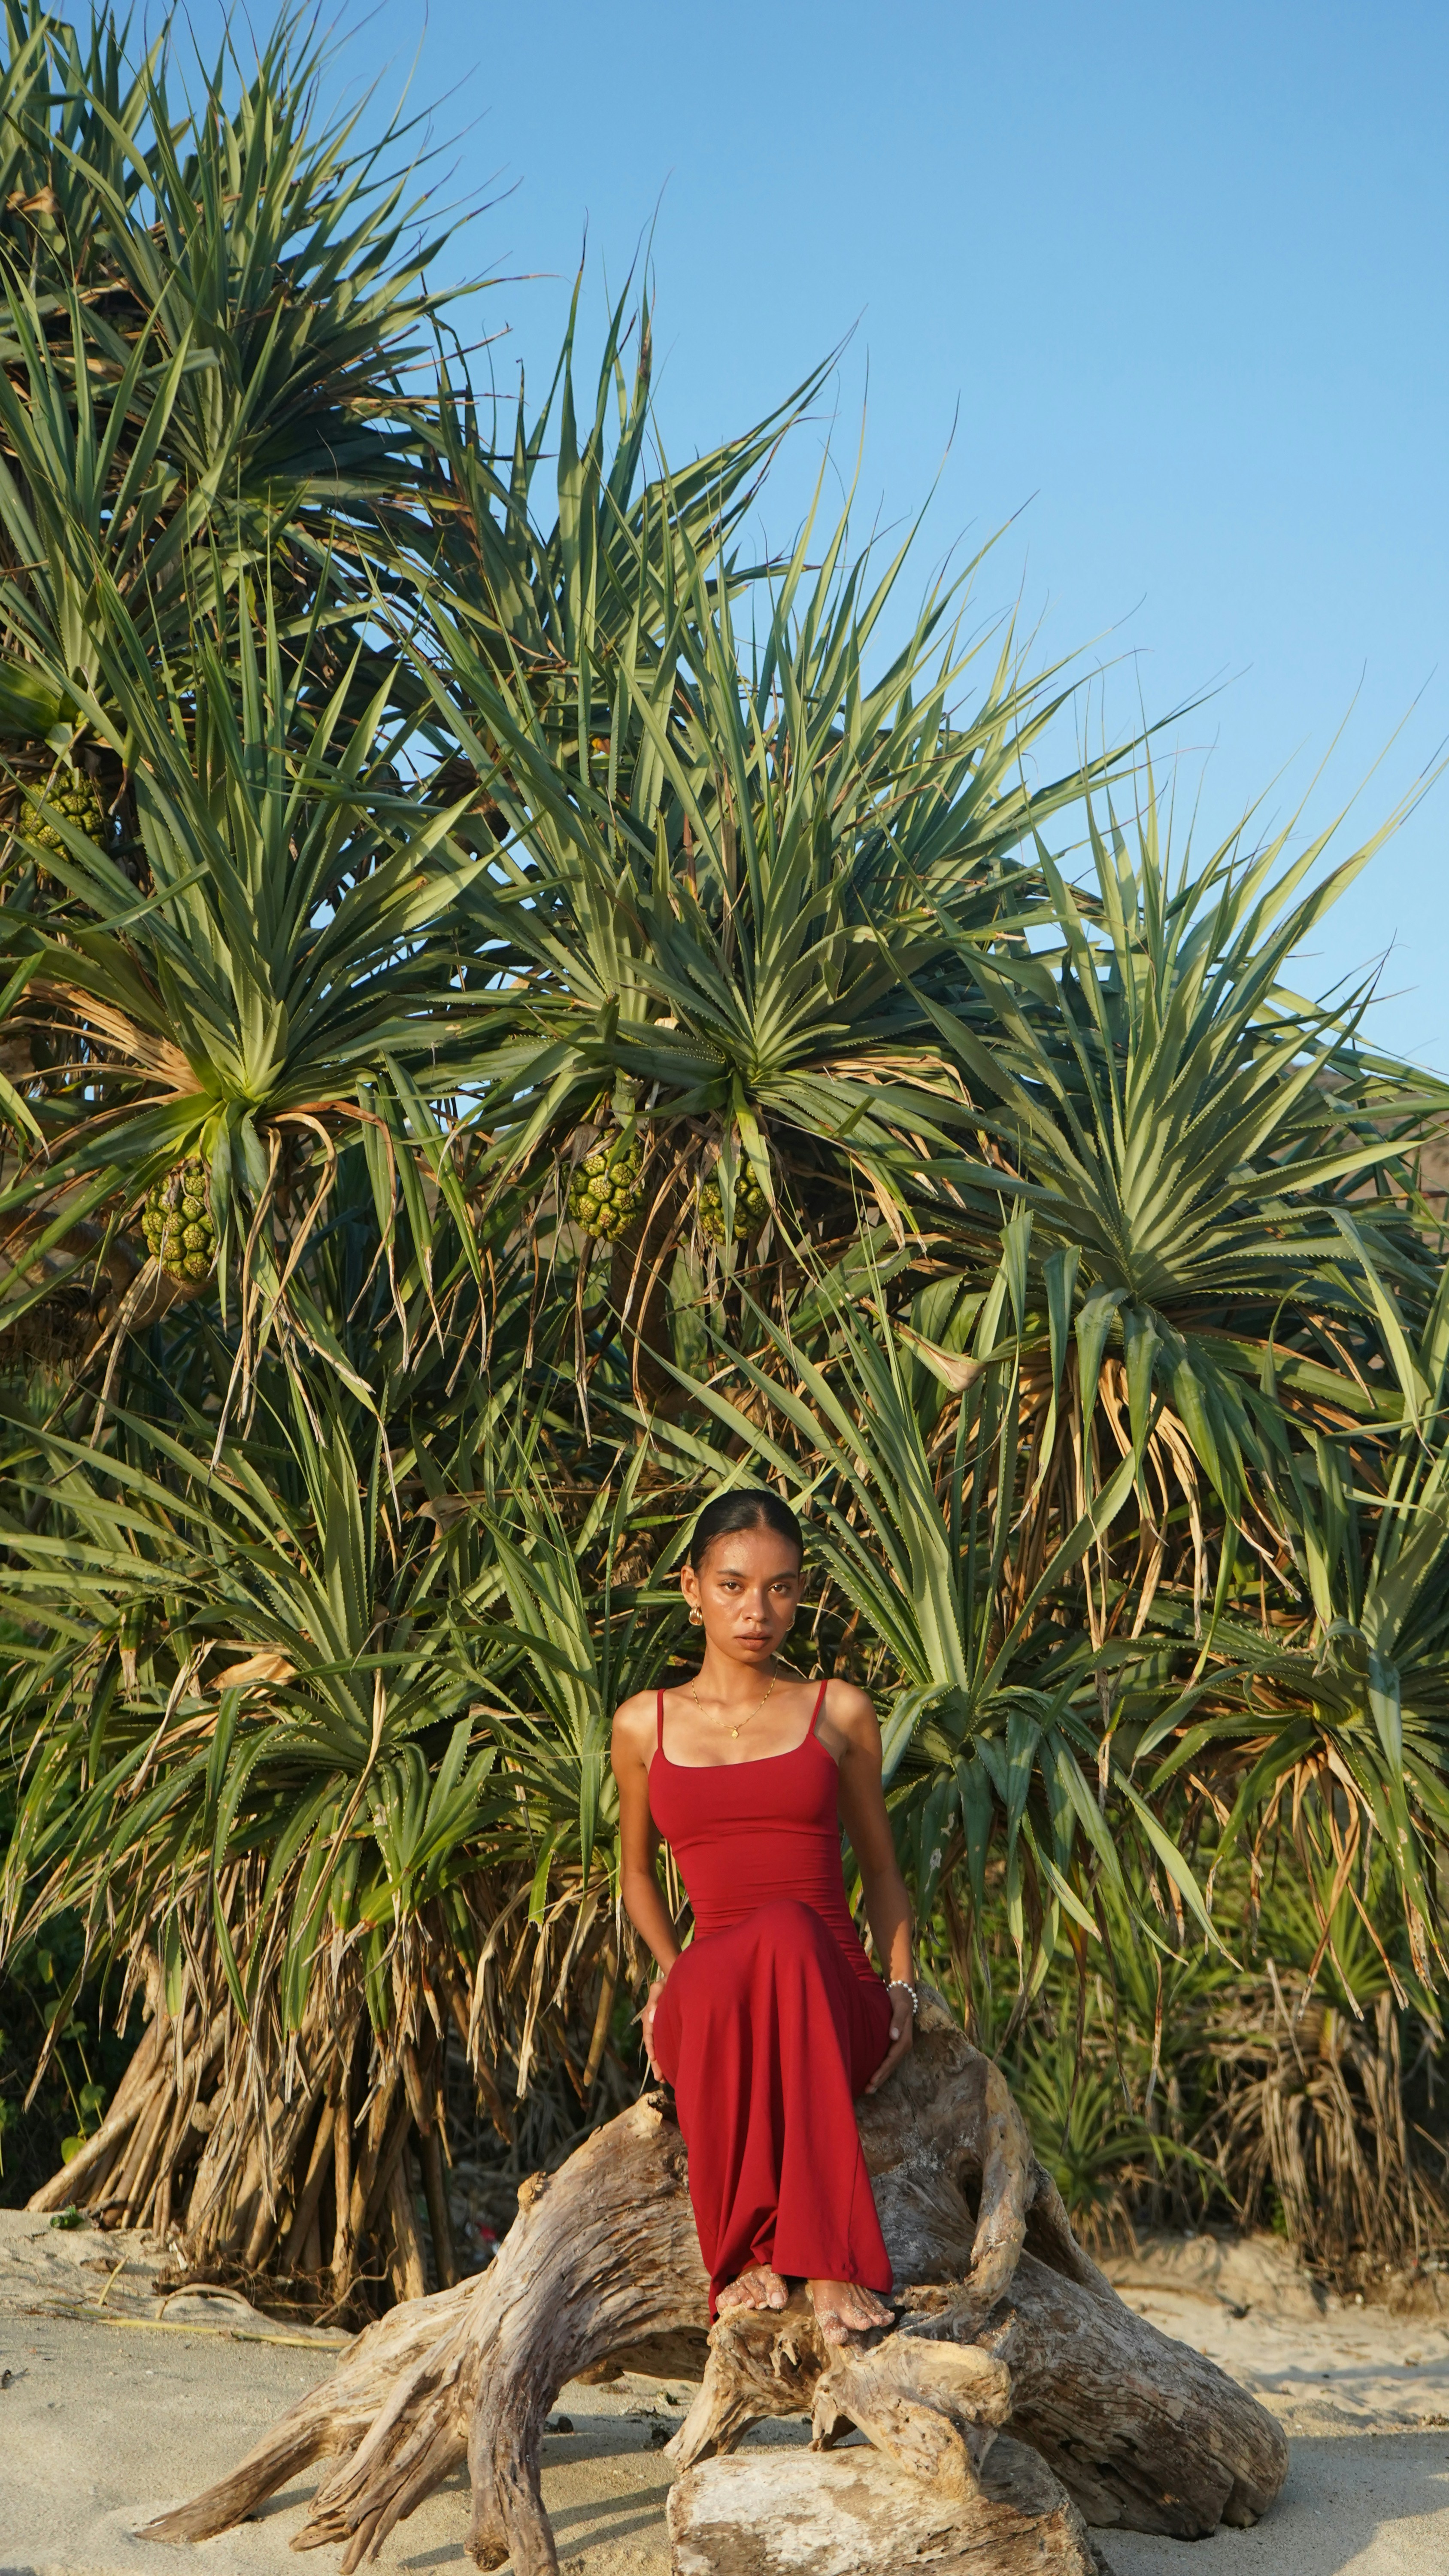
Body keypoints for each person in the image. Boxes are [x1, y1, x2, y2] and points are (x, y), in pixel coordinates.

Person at [610, 1487, 917, 2346]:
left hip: (831, 2002)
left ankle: (827, 2256)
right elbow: (637, 1875)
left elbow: (884, 1872)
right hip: (715, 2014)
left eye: (780, 1589)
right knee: (727, 1962)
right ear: (691, 1588)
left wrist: (902, 1987)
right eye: (734, 1585)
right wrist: (676, 1976)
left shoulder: (837, 1711)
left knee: (786, 1925)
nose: (757, 1610)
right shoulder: (643, 1722)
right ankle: (742, 2253)